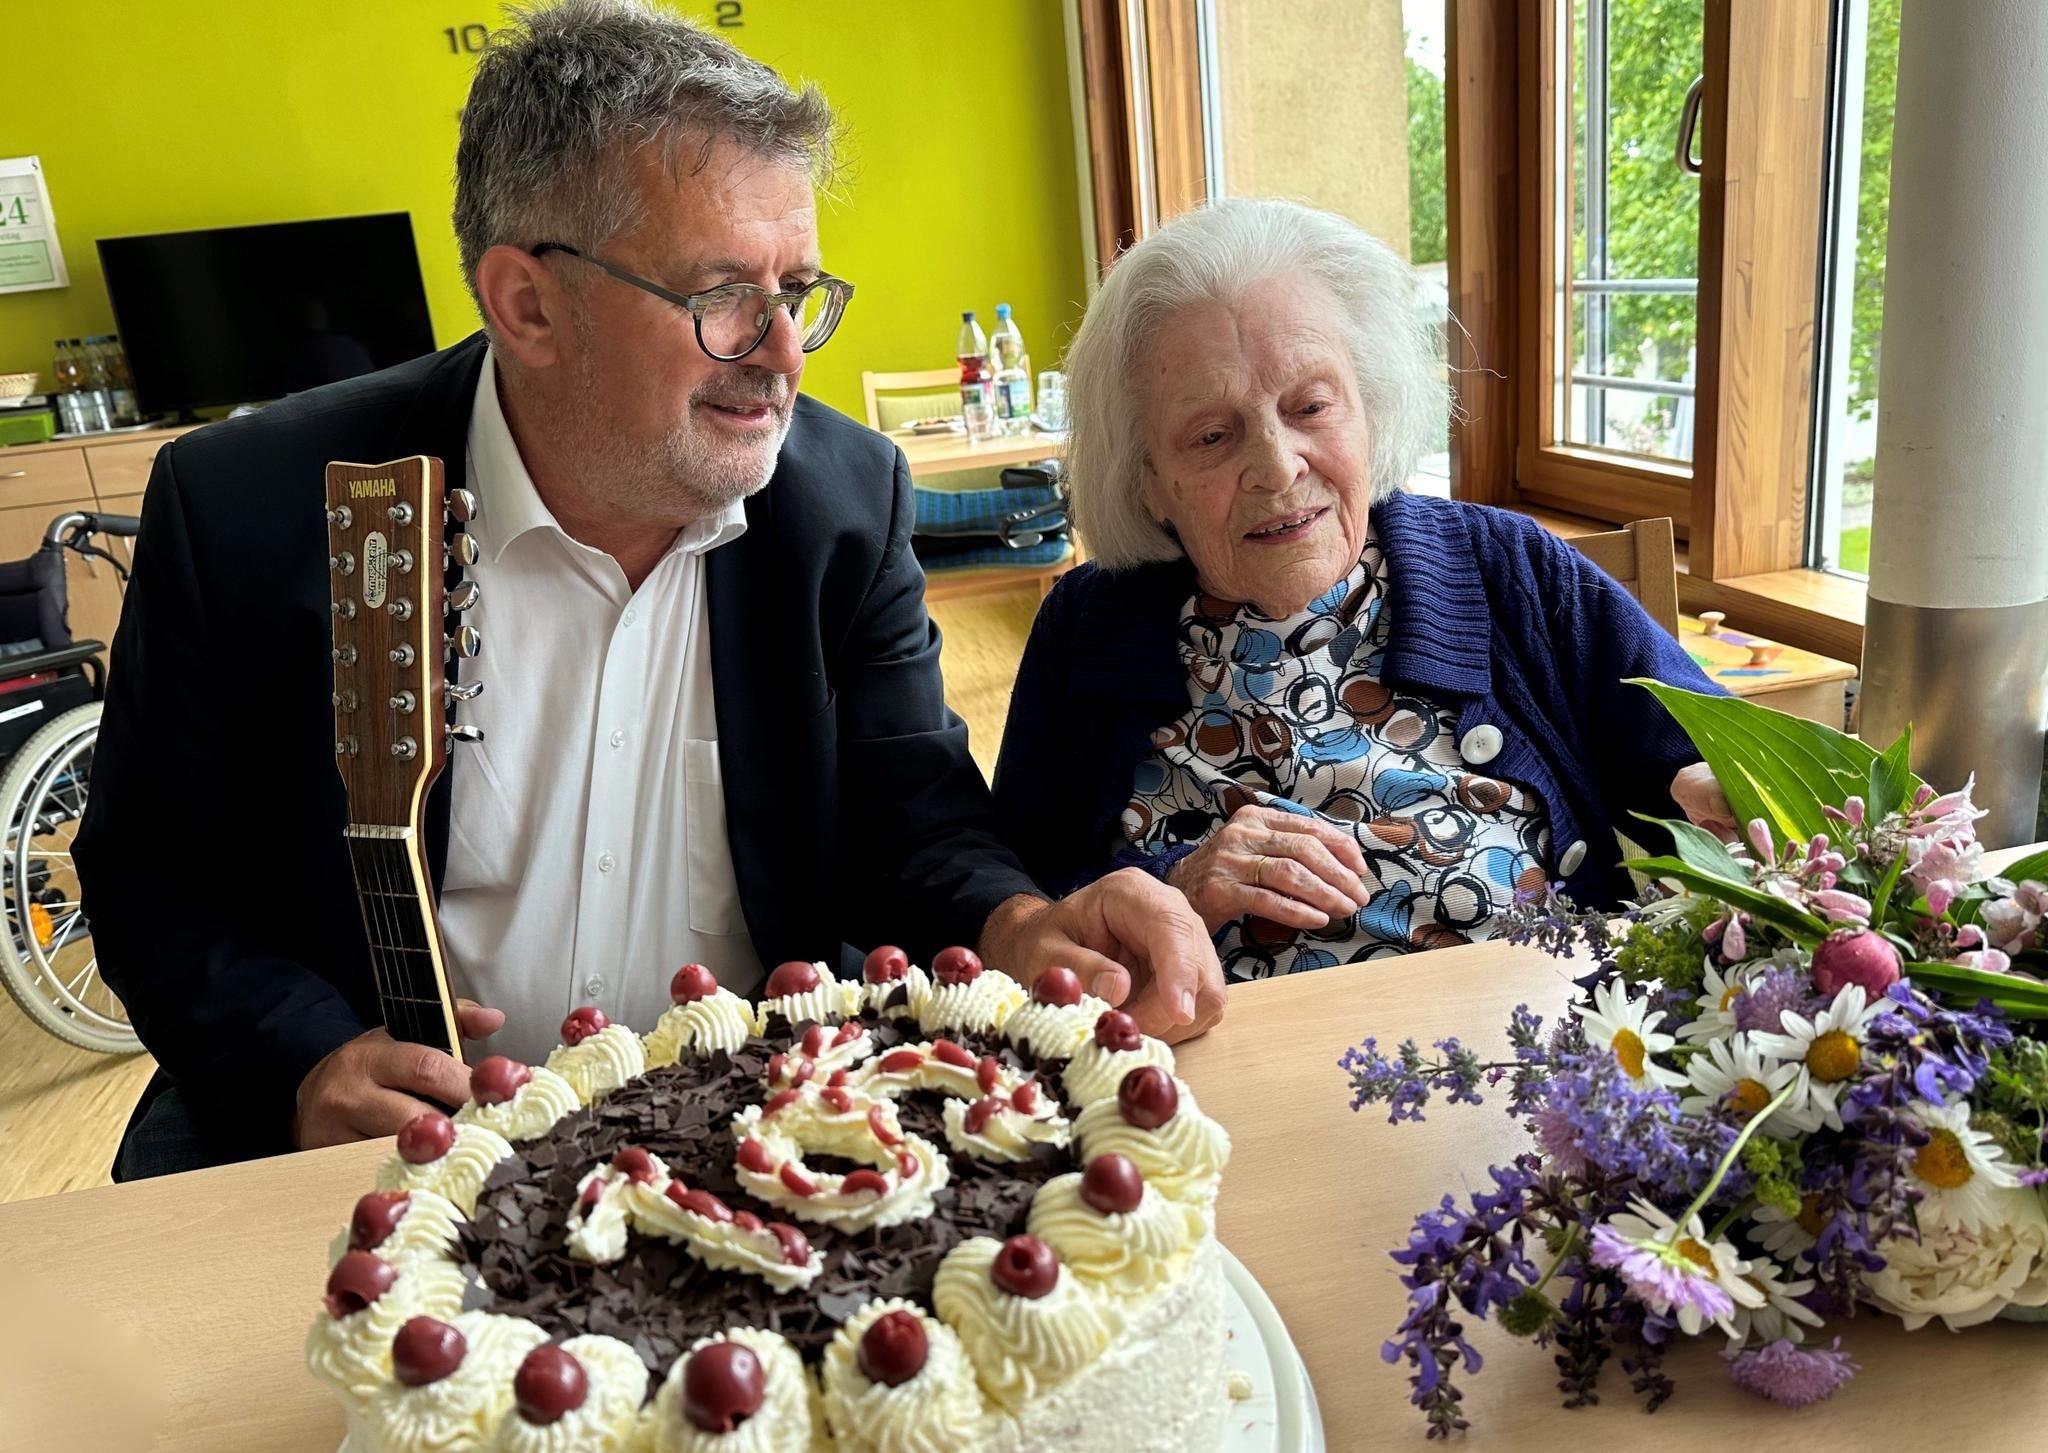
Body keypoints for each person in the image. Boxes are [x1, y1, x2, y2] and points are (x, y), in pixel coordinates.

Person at [76, 0, 1222, 1180]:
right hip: (393, 1155)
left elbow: (911, 817)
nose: (781, 351)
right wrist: (304, 1063)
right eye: (720, 293)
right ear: (526, 303)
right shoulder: (256, 507)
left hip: (731, 1142)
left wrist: (1020, 923)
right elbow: (152, 876)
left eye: (799, 290)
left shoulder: (837, 502)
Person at [993, 198, 1736, 983]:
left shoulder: (1505, 566)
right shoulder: (1087, 629)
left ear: (1371, 411)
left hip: (1541, 1070)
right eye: (1213, 436)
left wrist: (1707, 782)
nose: (1278, 467)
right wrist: (1176, 884)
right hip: (1213, 1089)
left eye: (1311, 406)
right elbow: (1018, 916)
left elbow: (1706, 752)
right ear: (1148, 481)